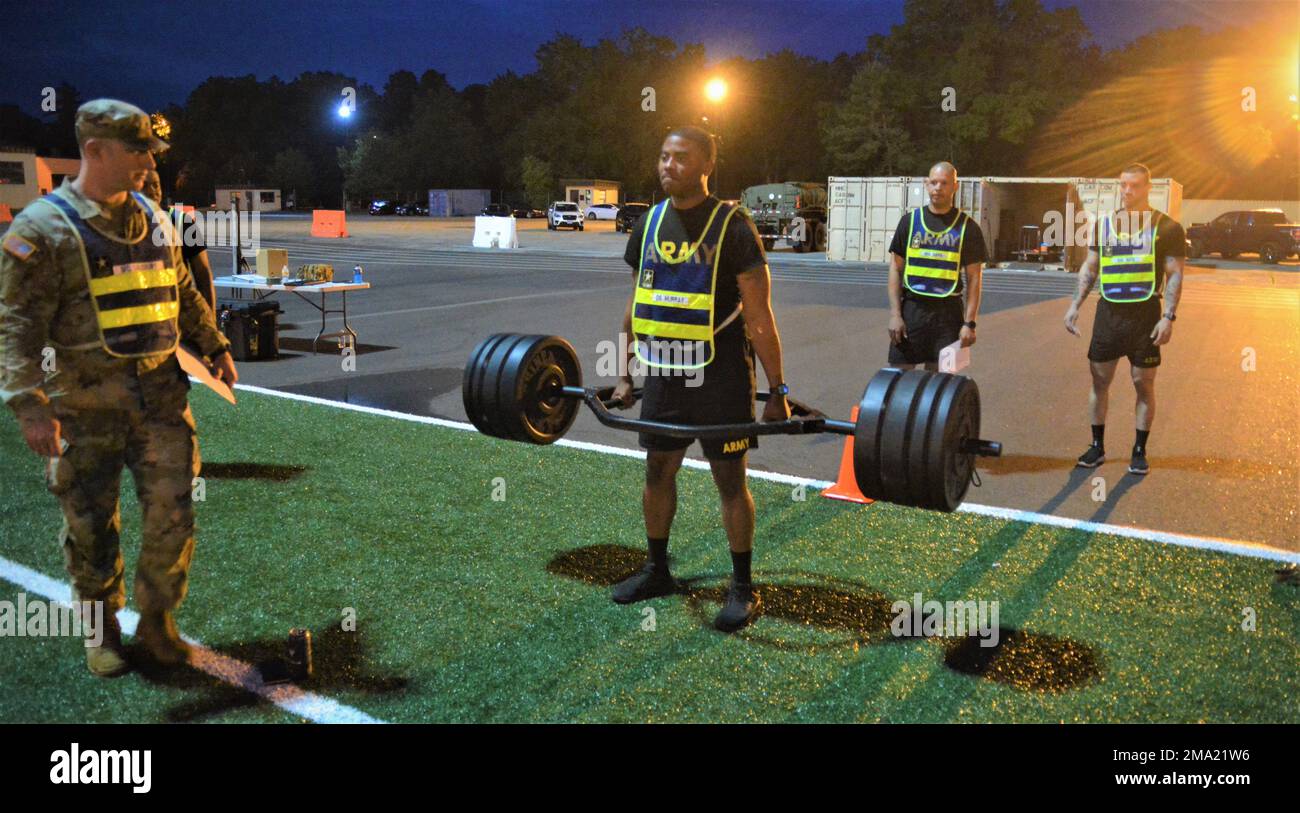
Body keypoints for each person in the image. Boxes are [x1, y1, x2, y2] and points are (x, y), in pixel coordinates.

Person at [0, 99, 237, 676]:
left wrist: (215, 345)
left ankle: (159, 624)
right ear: (94, 150)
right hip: (82, 410)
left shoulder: (155, 217)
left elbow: (180, 289)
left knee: (173, 514)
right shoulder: (43, 229)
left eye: (149, 152)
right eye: (136, 151)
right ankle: (102, 631)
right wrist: (30, 406)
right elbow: (15, 326)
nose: (146, 162)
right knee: (90, 525)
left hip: (161, 402)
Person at [609, 125, 788, 632]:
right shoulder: (647, 223)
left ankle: (742, 587)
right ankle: (657, 570)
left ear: (707, 166)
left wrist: (778, 392)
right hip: (664, 375)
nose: (667, 166)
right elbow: (636, 304)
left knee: (730, 481)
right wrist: (622, 374)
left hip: (720, 377)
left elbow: (760, 317)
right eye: (663, 156)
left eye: (681, 158)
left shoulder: (734, 227)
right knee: (656, 473)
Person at [1064, 163, 1184, 475]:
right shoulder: (1103, 225)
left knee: (1142, 384)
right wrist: (1075, 304)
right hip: (1109, 313)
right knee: (1099, 380)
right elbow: (1091, 268)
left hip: (1145, 316)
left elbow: (1174, 275)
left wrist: (1169, 317)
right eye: (1123, 185)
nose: (1128, 191)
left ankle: (1139, 450)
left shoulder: (1167, 228)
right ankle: (1097, 447)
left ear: (1148, 188)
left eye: (1135, 186)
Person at [886, 162, 985, 370]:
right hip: (912, 310)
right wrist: (895, 315)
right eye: (933, 182)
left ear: (955, 187)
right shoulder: (909, 222)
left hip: (948, 315)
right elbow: (896, 269)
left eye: (944, 183)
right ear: (926, 184)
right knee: (897, 377)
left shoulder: (968, 228)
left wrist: (969, 323)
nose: (938, 188)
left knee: (940, 384)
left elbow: (975, 278)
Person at [142, 169, 215, 311]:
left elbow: (203, 275)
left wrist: (210, 319)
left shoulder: (181, 221)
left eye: (155, 185)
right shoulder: (123, 227)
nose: (152, 191)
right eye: (144, 185)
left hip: (178, 314)